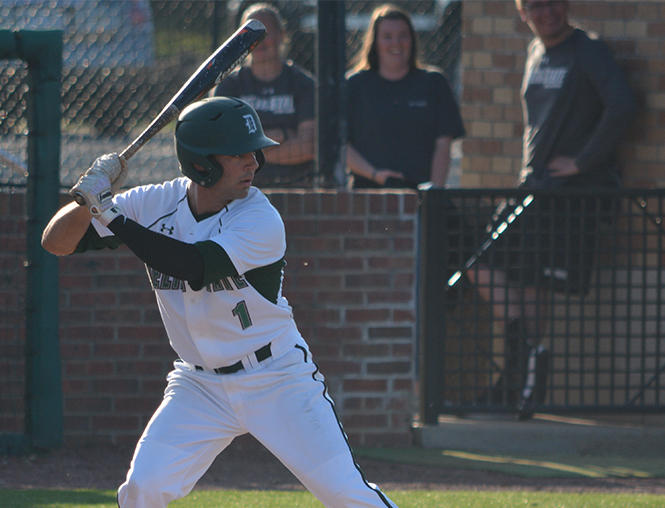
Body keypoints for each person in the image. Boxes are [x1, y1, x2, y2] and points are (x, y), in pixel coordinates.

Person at [43, 96, 480, 508]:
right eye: (240, 154)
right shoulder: (152, 202)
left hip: (276, 377)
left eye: (256, 152)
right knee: (141, 488)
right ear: (202, 164)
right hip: (198, 384)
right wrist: (87, 195)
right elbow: (55, 242)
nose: (255, 162)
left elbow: (196, 267)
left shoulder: (258, 217)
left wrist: (112, 216)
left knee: (345, 491)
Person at [464, 0, 636, 418]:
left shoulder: (588, 50)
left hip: (566, 196)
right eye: (535, 6)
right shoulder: (535, 53)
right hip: (530, 189)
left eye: (553, 3)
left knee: (534, 284)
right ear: (523, 14)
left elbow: (623, 106)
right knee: (481, 267)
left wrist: (580, 162)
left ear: (568, 5)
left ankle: (521, 386)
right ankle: (529, 362)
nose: (547, 12)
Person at [344, 4, 465, 190]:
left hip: (419, 195)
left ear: (412, 40)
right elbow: (342, 145)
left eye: (403, 36)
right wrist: (375, 175)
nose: (396, 43)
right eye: (387, 37)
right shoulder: (354, 84)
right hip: (368, 195)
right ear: (374, 42)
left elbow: (443, 143)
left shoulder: (434, 83)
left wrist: (434, 193)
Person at [213, 2, 315, 188]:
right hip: (243, 188)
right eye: (249, 35)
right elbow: (223, 149)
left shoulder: (304, 84)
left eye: (264, 33)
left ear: (282, 35)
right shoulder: (229, 86)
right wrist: (283, 135)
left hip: (297, 187)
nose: (257, 41)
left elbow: (307, 148)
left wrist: (248, 150)